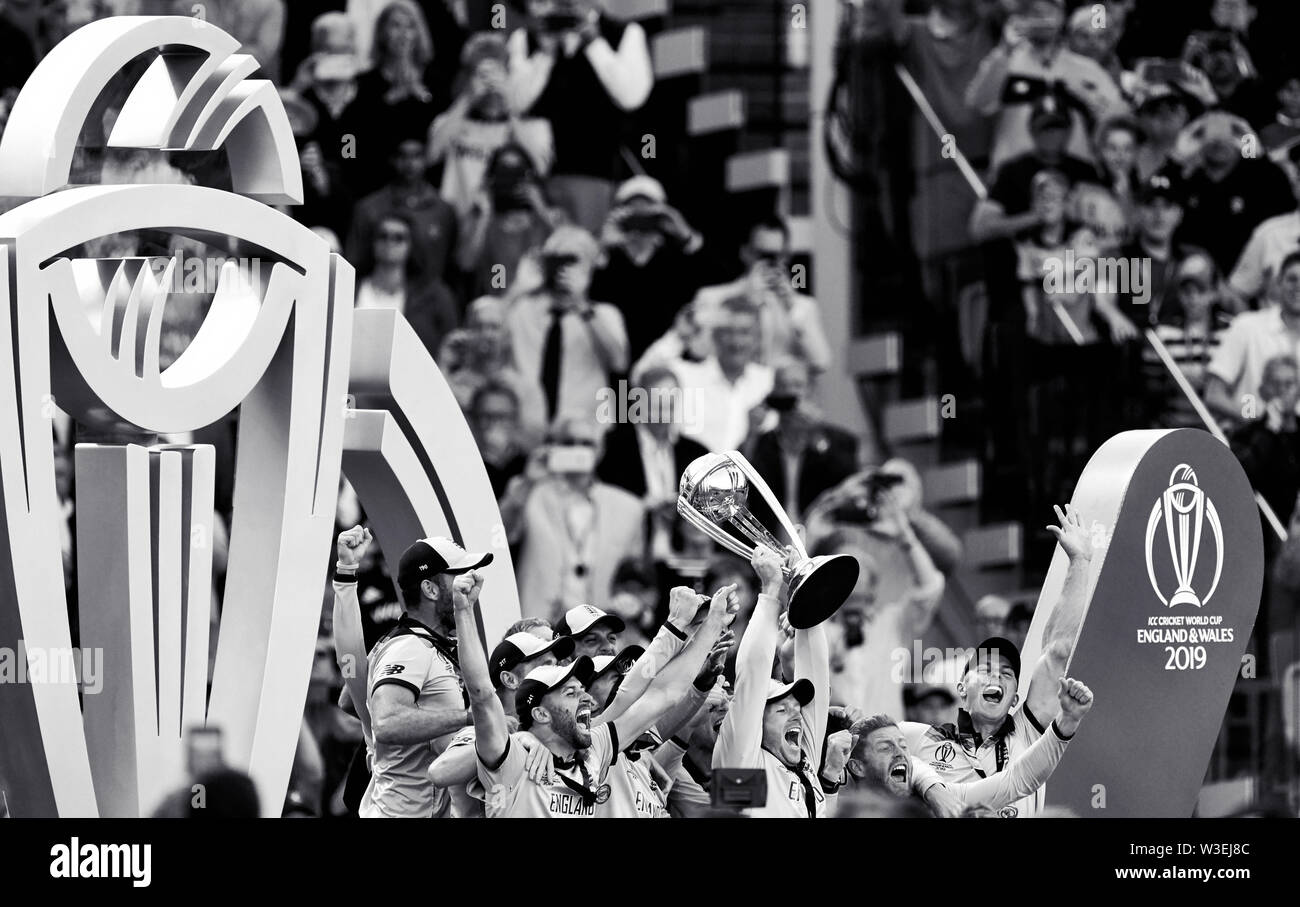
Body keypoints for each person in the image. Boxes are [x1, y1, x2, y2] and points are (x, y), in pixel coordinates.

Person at [454, 562, 730, 817]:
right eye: (572, 692)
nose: (585, 697)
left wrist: (712, 623)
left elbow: (662, 694)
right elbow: (477, 702)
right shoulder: (515, 758)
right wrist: (464, 611)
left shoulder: (600, 748)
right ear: (540, 713)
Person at [900, 504, 1093, 817]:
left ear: (1015, 697)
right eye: (986, 670)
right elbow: (869, 737)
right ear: (961, 688)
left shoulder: (1027, 732)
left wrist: (1081, 562)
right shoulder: (922, 740)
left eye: (1006, 673)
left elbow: (1058, 648)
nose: (997, 678)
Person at [334, 528, 492, 818]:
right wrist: (473, 717)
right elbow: (387, 723)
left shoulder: (420, 641)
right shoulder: (409, 646)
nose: (470, 582)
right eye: (459, 575)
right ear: (430, 589)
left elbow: (351, 698)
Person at [712, 545, 843, 817]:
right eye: (782, 709)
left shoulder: (804, 763)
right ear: (757, 724)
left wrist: (805, 591)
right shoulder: (743, 762)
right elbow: (751, 678)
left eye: (795, 707)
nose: (797, 713)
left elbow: (816, 675)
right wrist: (771, 590)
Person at [841, 676, 1094, 816]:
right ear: (857, 766)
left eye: (903, 746)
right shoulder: (837, 802)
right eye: (885, 748)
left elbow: (1019, 779)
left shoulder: (949, 801)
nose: (900, 754)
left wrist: (1067, 721)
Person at [506, 0, 654, 233]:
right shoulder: (525, 38)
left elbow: (631, 97)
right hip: (533, 180)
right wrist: (545, 55)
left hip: (591, 175)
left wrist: (595, 44)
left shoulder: (625, 33)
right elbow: (516, 102)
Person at [504, 416, 646, 620]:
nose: (578, 450)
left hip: (601, 629)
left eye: (587, 444)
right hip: (540, 627)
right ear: (554, 447)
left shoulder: (629, 507)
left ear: (600, 450)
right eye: (569, 443)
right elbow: (500, 535)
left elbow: (635, 579)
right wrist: (529, 480)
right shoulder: (531, 494)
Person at [964, 0, 1125, 171]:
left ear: (1062, 18)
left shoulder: (1088, 70)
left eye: (1049, 12)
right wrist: (1004, 50)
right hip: (1013, 178)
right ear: (1022, 17)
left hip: (1074, 177)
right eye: (1034, 12)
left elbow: (1120, 121)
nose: (1042, 18)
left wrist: (1095, 104)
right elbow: (978, 103)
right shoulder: (1006, 62)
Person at [506, 226, 629, 433]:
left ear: (590, 268)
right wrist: (517, 288)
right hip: (528, 431)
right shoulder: (522, 309)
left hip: (585, 433)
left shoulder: (604, 314)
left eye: (573, 261)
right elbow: (484, 333)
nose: (564, 270)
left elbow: (619, 363)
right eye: (558, 260)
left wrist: (582, 306)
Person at [427, 32, 554, 221]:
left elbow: (542, 167)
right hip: (457, 223)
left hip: (506, 228)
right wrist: (468, 98)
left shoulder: (534, 126)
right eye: (482, 74)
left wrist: (509, 106)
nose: (489, 81)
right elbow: (431, 155)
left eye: (497, 73)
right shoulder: (451, 121)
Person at [689, 216, 832, 375]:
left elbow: (820, 363)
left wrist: (792, 309)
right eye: (762, 255)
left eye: (777, 256)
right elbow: (698, 353)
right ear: (745, 253)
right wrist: (743, 303)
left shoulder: (803, 306)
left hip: (779, 394)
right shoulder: (712, 298)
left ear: (786, 257)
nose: (770, 263)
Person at [588, 175, 707, 362]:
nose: (640, 219)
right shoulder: (607, 260)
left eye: (648, 212)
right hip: (615, 368)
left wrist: (684, 234)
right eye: (632, 211)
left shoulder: (675, 259)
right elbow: (584, 294)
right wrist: (600, 247)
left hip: (668, 365)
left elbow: (714, 281)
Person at [641, 296, 775, 453]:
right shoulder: (687, 376)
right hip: (690, 473)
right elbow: (643, 376)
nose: (736, 342)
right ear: (715, 335)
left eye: (745, 332)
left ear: (758, 338)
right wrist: (679, 335)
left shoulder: (769, 382)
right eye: (728, 332)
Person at [347, 0, 455, 194]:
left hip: (429, 183)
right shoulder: (365, 83)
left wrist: (420, 95)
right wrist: (391, 99)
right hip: (377, 182)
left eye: (410, 26)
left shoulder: (435, 79)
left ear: (418, 33)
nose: (404, 33)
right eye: (396, 25)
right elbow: (355, 139)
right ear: (382, 33)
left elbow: (444, 129)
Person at [1177, 110, 1295, 274]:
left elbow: (1280, 199)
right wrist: (1178, 156)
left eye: (1228, 135)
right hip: (1197, 277)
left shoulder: (1257, 177)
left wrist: (1253, 148)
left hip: (1250, 274)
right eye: (1211, 136)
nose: (1219, 143)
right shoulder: (1189, 180)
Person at [743, 357, 859, 524]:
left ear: (811, 391)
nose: (790, 392)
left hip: (821, 539)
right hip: (769, 542)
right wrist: (751, 434)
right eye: (782, 386)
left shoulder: (840, 441)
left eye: (797, 385)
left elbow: (848, 485)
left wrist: (817, 436)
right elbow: (743, 489)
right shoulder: (761, 444)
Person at [455, 141, 566, 298]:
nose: (511, 181)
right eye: (504, 172)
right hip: (497, 303)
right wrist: (484, 218)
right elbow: (466, 263)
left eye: (517, 172)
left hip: (538, 307)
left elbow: (571, 249)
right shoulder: (482, 216)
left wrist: (541, 208)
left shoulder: (546, 216)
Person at [346, 134, 458, 286]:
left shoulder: (444, 211)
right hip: (377, 296)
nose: (410, 163)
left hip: (427, 302)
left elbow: (453, 268)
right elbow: (352, 264)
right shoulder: (368, 208)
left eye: (416, 156)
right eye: (403, 156)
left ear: (426, 159)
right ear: (392, 160)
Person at [1206, 251, 1300, 428]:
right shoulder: (1248, 326)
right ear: (1278, 283)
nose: (1298, 286)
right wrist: (1254, 418)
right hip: (1253, 443)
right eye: (1292, 279)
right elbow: (1214, 394)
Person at [1143, 250, 1235, 429]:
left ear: (1215, 292)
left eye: (1200, 291)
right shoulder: (1161, 334)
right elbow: (1149, 392)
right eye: (1186, 291)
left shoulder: (1233, 331)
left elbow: (1246, 393)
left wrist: (1211, 386)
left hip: (1222, 431)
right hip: (1174, 428)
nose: (1192, 298)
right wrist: (1172, 384)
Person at [442, 295, 549, 446]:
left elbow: (536, 439)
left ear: (506, 336)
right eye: (478, 327)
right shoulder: (452, 385)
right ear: (466, 333)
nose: (487, 335)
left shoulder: (525, 387)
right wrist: (444, 365)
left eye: (494, 327)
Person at [352, 212, 459, 359]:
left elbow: (452, 342)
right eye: (383, 236)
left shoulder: (434, 296)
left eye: (399, 238)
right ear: (373, 242)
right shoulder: (351, 287)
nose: (390, 242)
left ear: (411, 245)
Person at [1231, 354, 1300, 525]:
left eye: (1289, 384)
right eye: (1275, 384)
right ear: (1263, 391)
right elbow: (1240, 478)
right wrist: (1270, 430)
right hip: (1266, 530)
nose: (1282, 391)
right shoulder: (1248, 434)